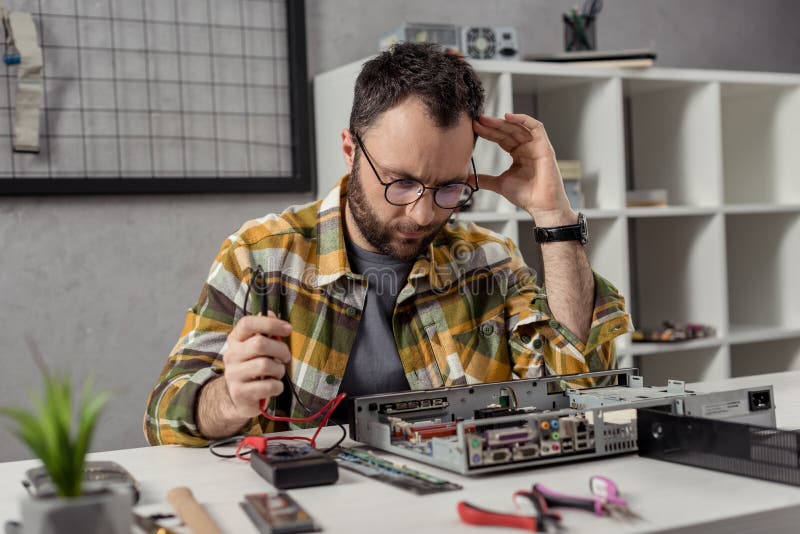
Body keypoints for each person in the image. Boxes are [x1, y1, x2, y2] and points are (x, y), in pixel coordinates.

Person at [144, 43, 632, 446]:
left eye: (449, 188)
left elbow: (578, 391)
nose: (423, 214)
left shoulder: (489, 261)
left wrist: (554, 218)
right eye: (401, 182)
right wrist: (227, 400)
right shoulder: (260, 256)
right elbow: (163, 417)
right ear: (350, 150)